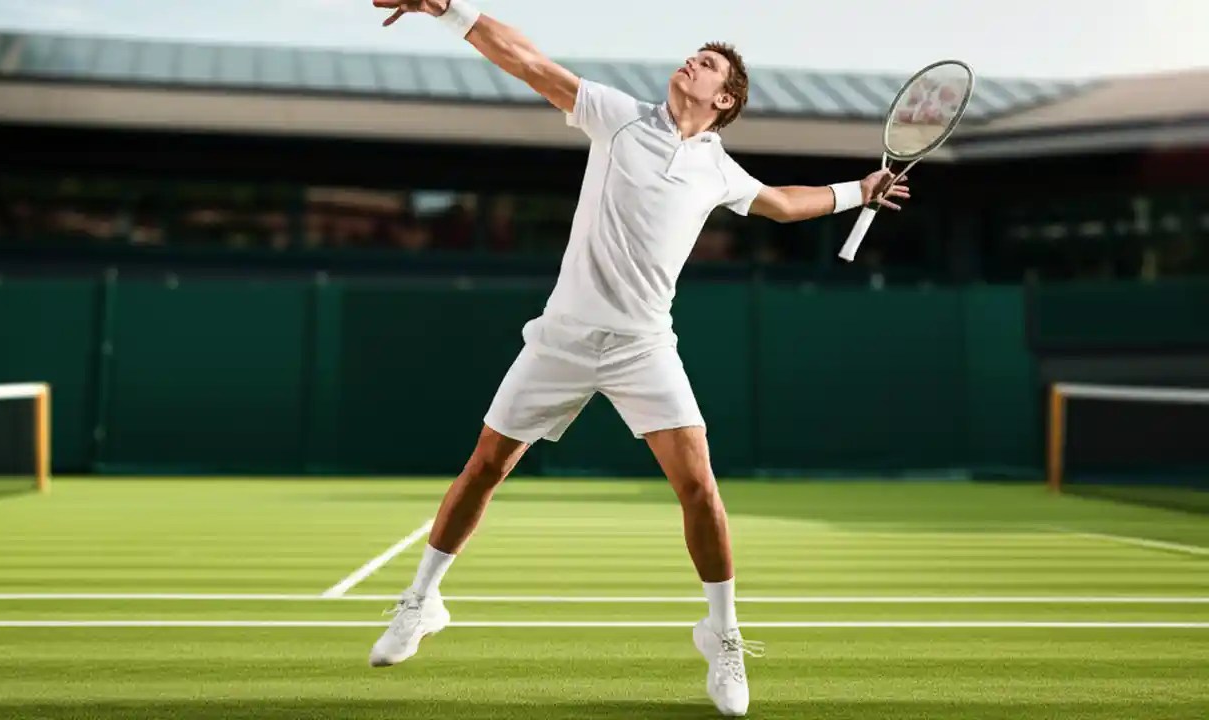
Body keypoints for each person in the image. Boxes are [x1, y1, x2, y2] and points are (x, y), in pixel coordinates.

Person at [366, 1, 910, 716]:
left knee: (700, 488)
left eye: (708, 64)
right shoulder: (617, 116)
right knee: (486, 466)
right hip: (561, 337)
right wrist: (449, 10)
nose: (693, 61)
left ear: (725, 100)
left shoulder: (718, 170)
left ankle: (721, 636)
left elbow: (781, 202)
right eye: (696, 55)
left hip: (644, 347)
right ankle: (421, 601)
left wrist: (855, 191)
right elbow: (527, 61)